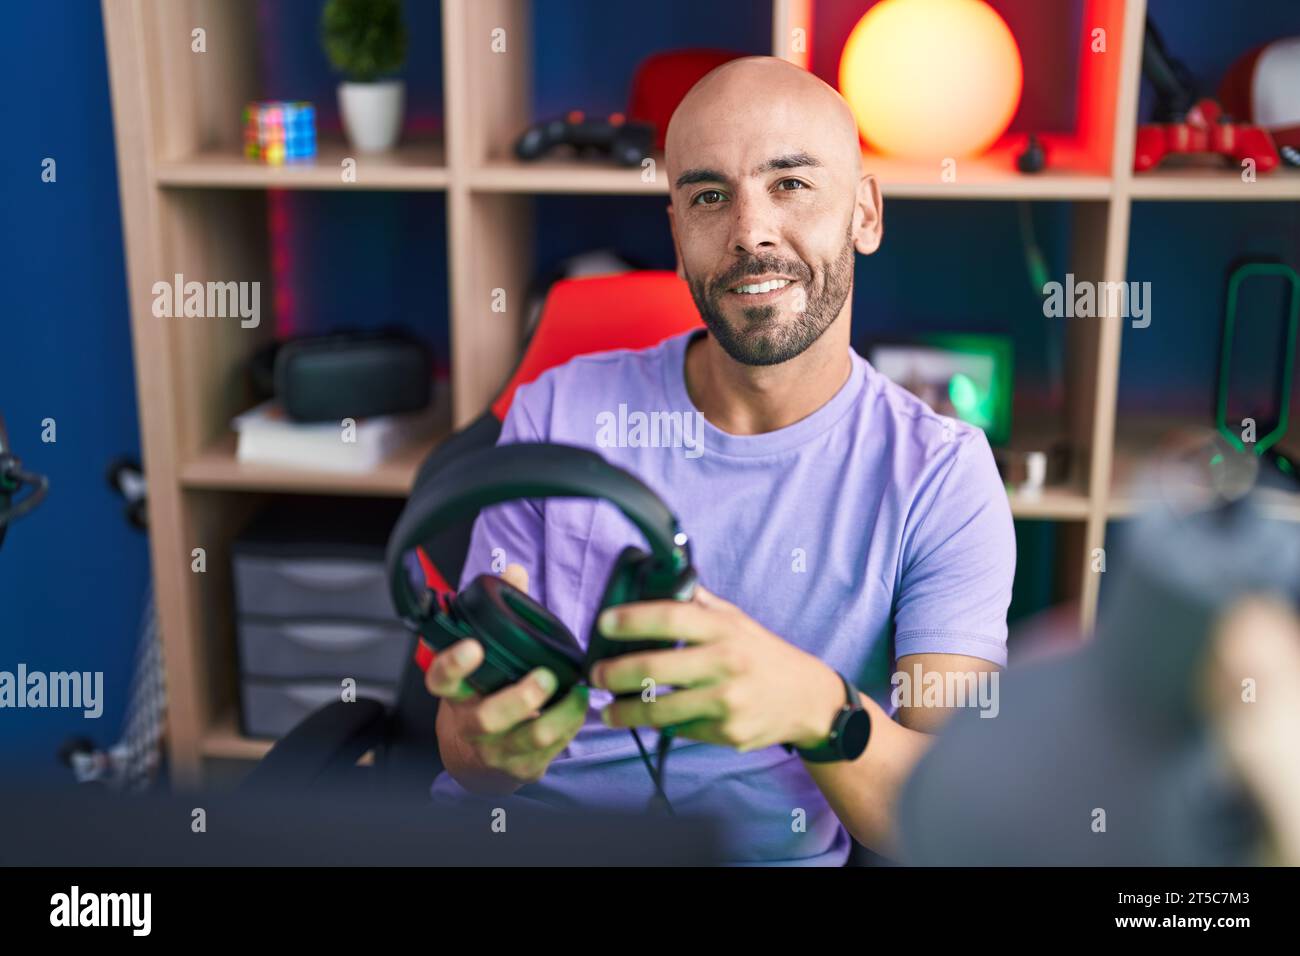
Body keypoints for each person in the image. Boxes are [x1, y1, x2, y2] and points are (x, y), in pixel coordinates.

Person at [424, 57, 1015, 865]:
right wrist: (486, 743)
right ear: (676, 233)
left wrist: (818, 711)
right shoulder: (555, 410)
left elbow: (958, 815)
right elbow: (464, 751)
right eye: (709, 196)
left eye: (792, 185)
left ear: (865, 215)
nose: (750, 232)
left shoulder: (945, 478)